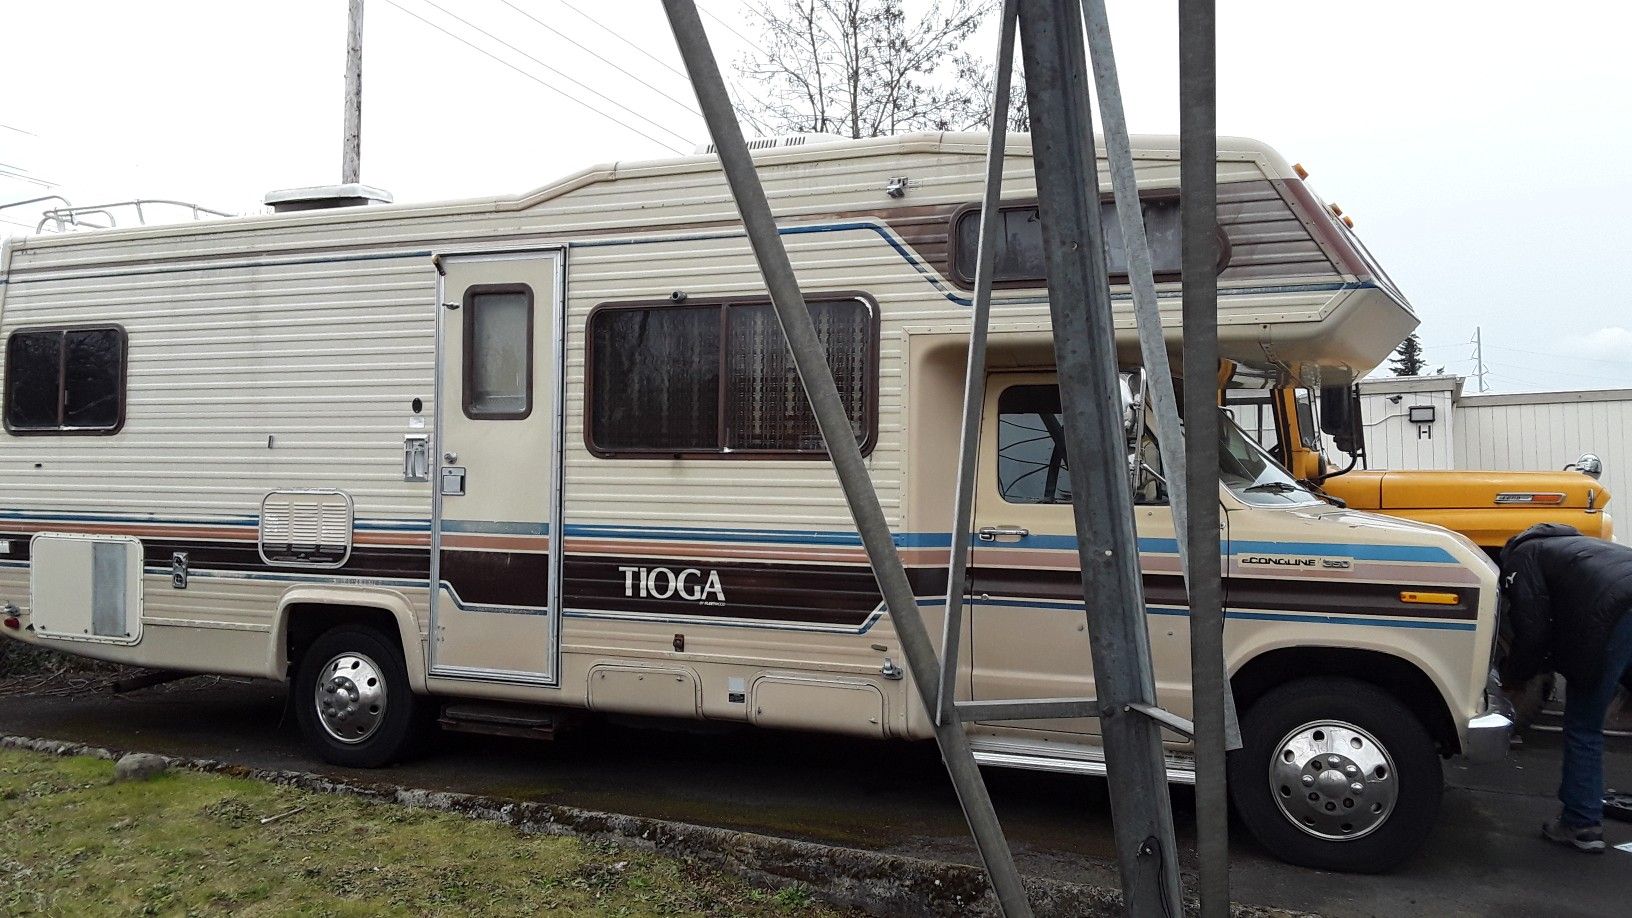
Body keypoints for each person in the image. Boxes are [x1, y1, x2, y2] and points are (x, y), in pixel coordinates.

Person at [1499, 522, 1632, 853]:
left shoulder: (1522, 557)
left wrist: (1513, 679)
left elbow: (1533, 633)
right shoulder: (1580, 548)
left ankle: (1580, 823)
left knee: (1584, 725)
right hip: (1622, 602)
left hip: (1615, 616)